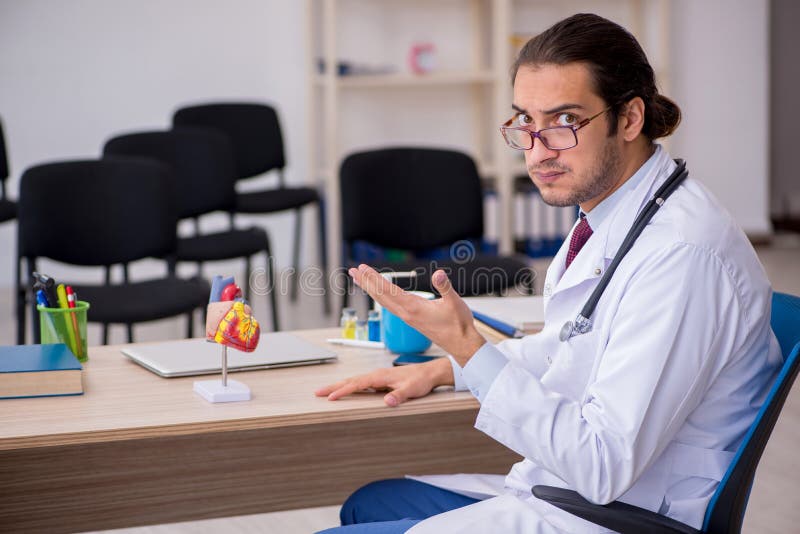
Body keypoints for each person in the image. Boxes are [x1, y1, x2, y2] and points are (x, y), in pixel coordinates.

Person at [315, 13, 781, 534]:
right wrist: (448, 366)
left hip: (618, 514)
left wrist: (471, 348)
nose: (537, 151)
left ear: (629, 118)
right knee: (369, 503)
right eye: (525, 122)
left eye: (563, 123)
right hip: (566, 489)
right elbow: (572, 345)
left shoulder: (683, 255)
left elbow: (603, 467)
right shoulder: (611, 213)